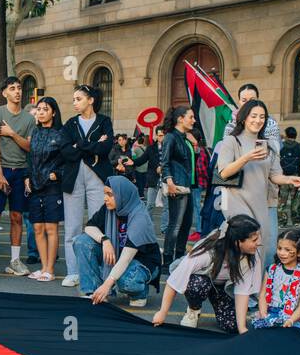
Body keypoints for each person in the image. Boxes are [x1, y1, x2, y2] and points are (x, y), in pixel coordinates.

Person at [212, 101, 300, 260]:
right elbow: (224, 172)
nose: (258, 120)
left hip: (260, 203)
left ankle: (254, 283)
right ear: (244, 118)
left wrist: (290, 179)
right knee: (243, 250)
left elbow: (275, 176)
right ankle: (235, 282)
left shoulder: (268, 146)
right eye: (253, 116)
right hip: (236, 202)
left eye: (262, 117)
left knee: (263, 251)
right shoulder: (231, 141)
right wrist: (246, 158)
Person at [152, 214, 263, 333]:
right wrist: (162, 313)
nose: (259, 242)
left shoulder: (251, 256)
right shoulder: (206, 252)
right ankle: (194, 309)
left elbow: (242, 291)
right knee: (198, 285)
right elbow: (173, 281)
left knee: (232, 326)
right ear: (237, 242)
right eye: (254, 240)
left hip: (222, 287)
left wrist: (242, 329)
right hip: (202, 281)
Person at [73, 176, 161, 307]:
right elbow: (89, 226)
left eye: (110, 194)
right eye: (105, 193)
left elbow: (125, 259)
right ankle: (92, 292)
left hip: (142, 263)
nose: (105, 198)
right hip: (119, 256)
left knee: (127, 280)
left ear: (122, 195)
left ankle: (140, 292)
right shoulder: (110, 209)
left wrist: (107, 286)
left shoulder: (140, 217)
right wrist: (104, 240)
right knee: (81, 242)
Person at [60, 83, 113, 288]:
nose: (75, 103)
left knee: (97, 225)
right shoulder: (70, 124)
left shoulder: (104, 121)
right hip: (73, 177)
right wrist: (92, 146)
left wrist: (79, 145)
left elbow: (105, 148)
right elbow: (65, 151)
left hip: (98, 178)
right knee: (72, 227)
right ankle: (73, 271)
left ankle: (98, 270)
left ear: (90, 100)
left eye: (78, 99)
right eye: (73, 99)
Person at [0, 76, 35, 278]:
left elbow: (29, 147)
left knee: (17, 217)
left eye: (19, 88)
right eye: (12, 88)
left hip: (20, 171)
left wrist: (12, 134)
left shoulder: (29, 119)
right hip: (1, 170)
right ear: (4, 92)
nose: (17, 91)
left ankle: (15, 260)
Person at [25, 96, 69, 282]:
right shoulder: (35, 133)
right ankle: (43, 267)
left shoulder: (60, 134)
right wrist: (27, 177)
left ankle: (50, 269)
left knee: (51, 228)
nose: (41, 112)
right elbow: (30, 157)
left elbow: (68, 160)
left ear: (53, 112)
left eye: (45, 109)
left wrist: (57, 174)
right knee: (37, 228)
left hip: (52, 187)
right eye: (39, 109)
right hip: (35, 186)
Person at [158, 105, 197, 273]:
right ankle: (167, 262)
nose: (194, 120)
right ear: (180, 119)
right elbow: (164, 162)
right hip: (177, 186)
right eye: (191, 117)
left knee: (186, 224)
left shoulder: (184, 138)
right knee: (175, 225)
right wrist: (170, 182)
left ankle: (180, 258)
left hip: (187, 186)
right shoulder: (170, 138)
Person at [252, 229, 300, 330]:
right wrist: (263, 314)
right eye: (279, 248)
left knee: (292, 335)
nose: (282, 253)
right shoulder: (271, 270)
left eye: (287, 250)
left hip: (294, 316)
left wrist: (291, 320)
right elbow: (263, 295)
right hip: (271, 311)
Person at [277, 126, 300, 226]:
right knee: (296, 201)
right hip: (295, 177)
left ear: (286, 135)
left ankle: (282, 221)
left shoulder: (280, 146)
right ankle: (296, 221)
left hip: (283, 178)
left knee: (282, 201)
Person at [137, 125, 165, 212]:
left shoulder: (169, 147)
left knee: (167, 208)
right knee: (150, 205)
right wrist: (132, 162)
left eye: (163, 135)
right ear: (156, 136)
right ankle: (148, 224)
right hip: (153, 179)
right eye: (159, 135)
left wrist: (162, 168)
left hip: (166, 180)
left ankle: (165, 226)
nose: (161, 137)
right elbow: (141, 160)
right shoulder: (151, 148)